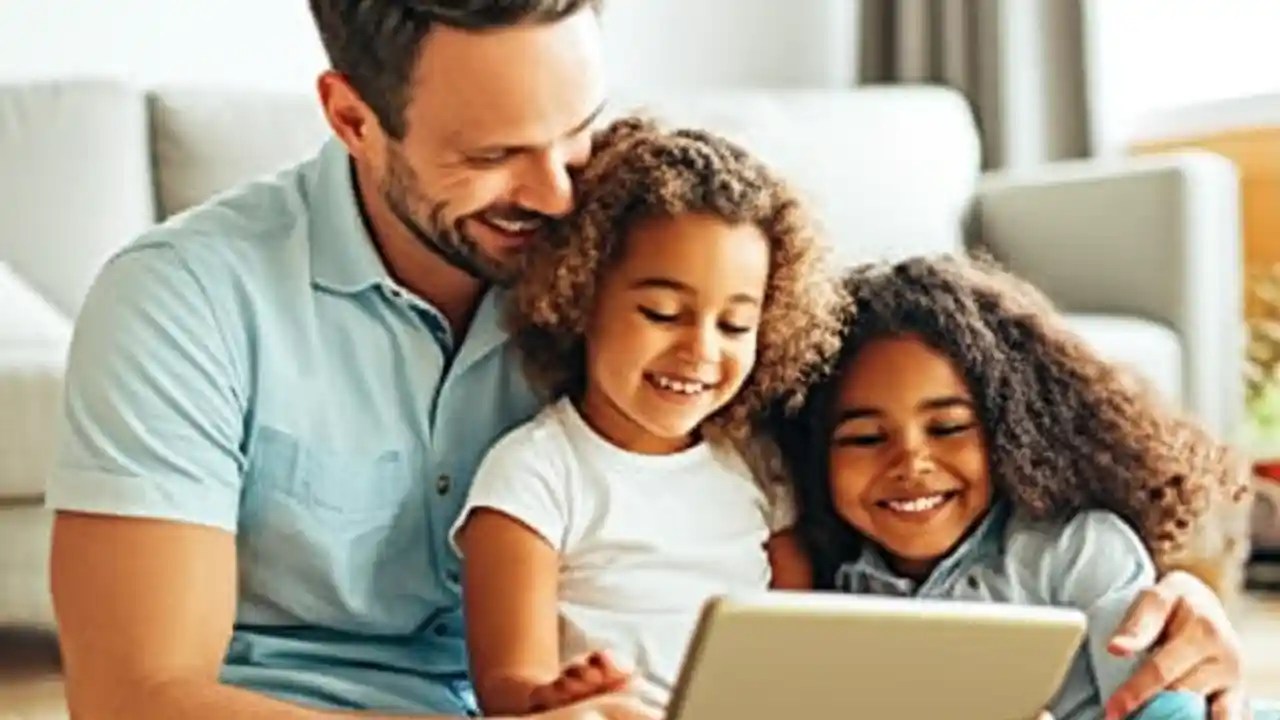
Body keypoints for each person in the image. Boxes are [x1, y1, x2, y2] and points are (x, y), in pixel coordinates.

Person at [42, 1, 1249, 718]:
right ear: (352, 115)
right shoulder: (186, 303)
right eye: (498, 154)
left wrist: (1177, 592)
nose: (560, 190)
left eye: (575, 128)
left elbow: (933, 407)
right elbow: (138, 697)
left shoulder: (635, 269)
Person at [450, 116, 843, 715]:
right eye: (662, 313)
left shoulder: (758, 465)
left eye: (735, 325)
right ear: (579, 295)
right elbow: (506, 690)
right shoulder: (535, 474)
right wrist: (559, 699)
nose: (701, 351)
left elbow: (804, 646)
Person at [772, 255, 1253, 719]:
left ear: (1012, 434)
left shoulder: (1076, 550)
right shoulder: (838, 582)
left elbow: (1166, 709)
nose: (910, 463)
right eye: (866, 438)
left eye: (948, 428)